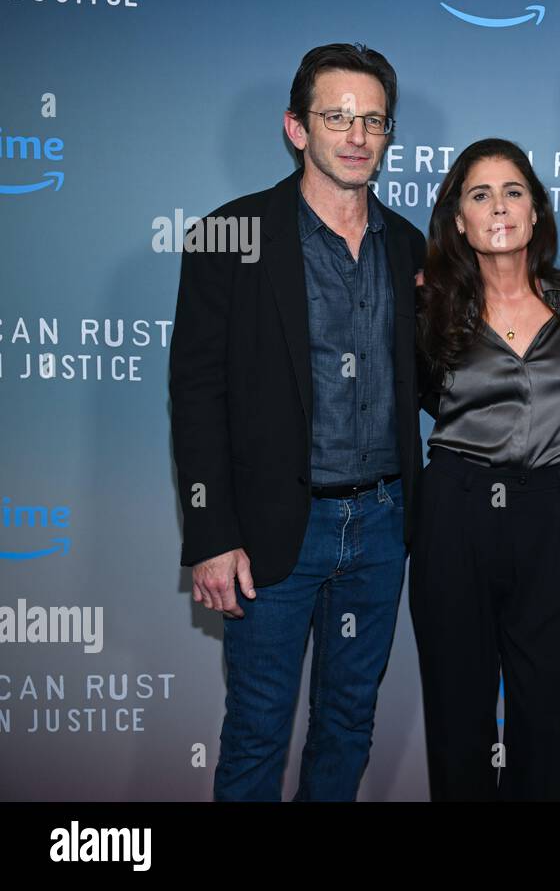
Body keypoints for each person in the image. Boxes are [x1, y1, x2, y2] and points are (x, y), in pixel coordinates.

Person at [169, 43, 426, 801]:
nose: (355, 134)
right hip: (275, 529)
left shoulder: (410, 247)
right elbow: (195, 393)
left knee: (348, 726)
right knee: (257, 732)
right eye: (336, 116)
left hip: (381, 526)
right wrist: (211, 534)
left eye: (372, 120)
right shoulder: (230, 236)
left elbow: (447, 383)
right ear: (296, 128)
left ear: (386, 135)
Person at [409, 138, 560, 801]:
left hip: (551, 514)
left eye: (513, 191)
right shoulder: (427, 309)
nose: (498, 207)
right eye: (479, 194)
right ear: (458, 218)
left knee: (541, 720)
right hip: (455, 512)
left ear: (538, 211)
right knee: (458, 721)